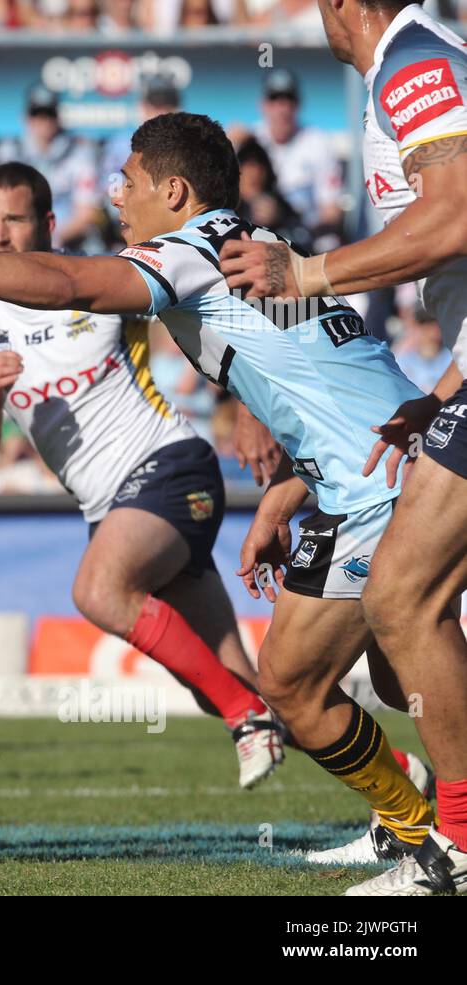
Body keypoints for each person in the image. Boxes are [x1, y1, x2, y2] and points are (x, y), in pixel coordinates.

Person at [0, 110, 438, 887]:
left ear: (174, 190)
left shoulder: (187, 250)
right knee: (337, 682)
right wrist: (284, 495)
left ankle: (439, 842)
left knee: (343, 680)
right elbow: (310, 377)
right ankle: (412, 820)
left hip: (369, 488)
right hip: (374, 475)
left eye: (126, 184)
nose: (116, 198)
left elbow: (67, 282)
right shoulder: (251, 249)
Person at [221, 0, 467, 896]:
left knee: (403, 597)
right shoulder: (411, 64)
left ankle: (456, 851)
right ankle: (442, 835)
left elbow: (454, 219)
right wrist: (437, 397)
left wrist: (307, 273)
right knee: (407, 615)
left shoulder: (414, 61)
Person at [0, 161, 283, 787]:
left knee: (98, 591)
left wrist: (250, 406)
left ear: (46, 223)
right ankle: (401, 789)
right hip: (113, 508)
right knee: (234, 682)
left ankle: (246, 719)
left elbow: (214, 305)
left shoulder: (98, 281)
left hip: (172, 466)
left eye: (14, 219)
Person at [0, 87, 102, 250]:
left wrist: (53, 237)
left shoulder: (80, 151)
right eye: (37, 114)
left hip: (66, 236)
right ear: (26, 118)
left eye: (49, 114)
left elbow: (86, 214)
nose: (44, 121)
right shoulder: (8, 151)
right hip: (19, 231)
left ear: (58, 117)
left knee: (95, 243)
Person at [250, 69, 344, 238]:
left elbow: (332, 211)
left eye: (289, 101)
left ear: (298, 105)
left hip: (306, 236)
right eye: (275, 100)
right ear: (263, 105)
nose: (283, 109)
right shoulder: (252, 141)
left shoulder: (318, 142)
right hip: (259, 233)